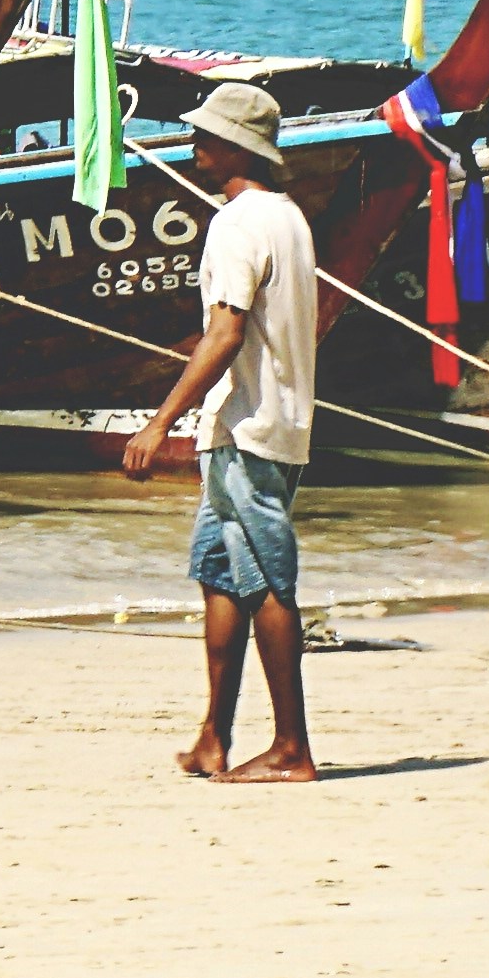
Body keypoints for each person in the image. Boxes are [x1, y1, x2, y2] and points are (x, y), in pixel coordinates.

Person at [115, 78, 321, 782]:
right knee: (219, 575)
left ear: (237, 147)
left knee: (265, 581)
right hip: (263, 424)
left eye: (205, 135)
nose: (194, 144)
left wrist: (158, 422)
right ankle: (214, 737)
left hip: (251, 430)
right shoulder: (289, 216)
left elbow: (227, 332)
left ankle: (292, 748)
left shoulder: (237, 222)